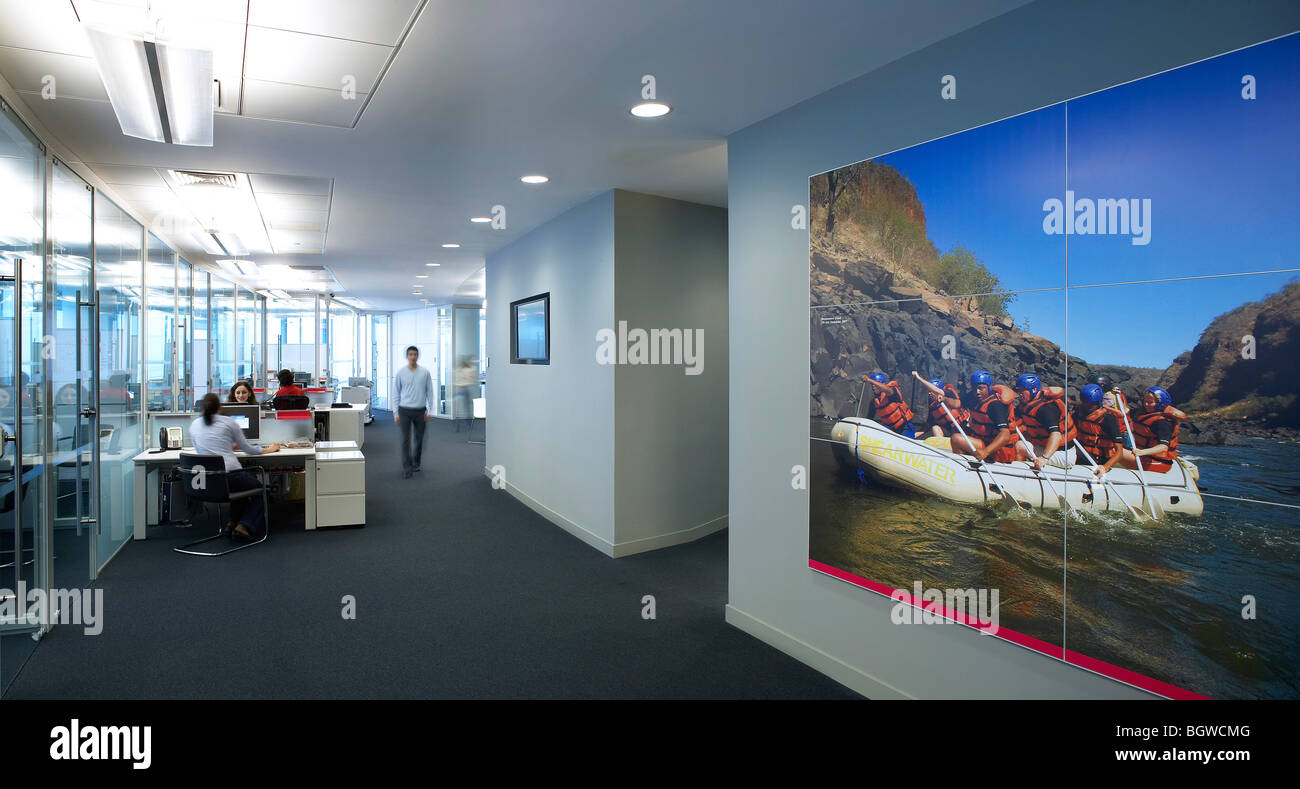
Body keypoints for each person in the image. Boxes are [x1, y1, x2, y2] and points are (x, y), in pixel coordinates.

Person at [189, 393, 281, 542]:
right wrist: (270, 449)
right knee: (261, 491)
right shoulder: (228, 422)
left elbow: (200, 451)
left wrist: (225, 446)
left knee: (241, 490)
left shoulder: (195, 424)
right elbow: (248, 449)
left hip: (207, 479)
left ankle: (232, 523)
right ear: (220, 407)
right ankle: (244, 525)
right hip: (230, 475)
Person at [1097, 386, 1184, 475]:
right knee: (1110, 445)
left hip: (1158, 461)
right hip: (1144, 456)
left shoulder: (1162, 422)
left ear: (1160, 404)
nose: (1146, 404)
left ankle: (1103, 468)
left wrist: (1142, 452)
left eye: (1150, 402)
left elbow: (1163, 447)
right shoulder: (1143, 412)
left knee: (1114, 451)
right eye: (1145, 401)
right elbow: (1125, 410)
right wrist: (1118, 396)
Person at [950, 369, 1017, 463]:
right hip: (984, 441)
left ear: (989, 387)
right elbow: (957, 403)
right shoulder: (974, 396)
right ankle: (966, 462)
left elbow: (1005, 435)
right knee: (959, 430)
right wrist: (943, 399)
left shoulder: (995, 405)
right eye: (974, 388)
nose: (977, 391)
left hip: (998, 450)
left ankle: (962, 466)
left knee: (956, 439)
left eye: (981, 388)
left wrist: (986, 452)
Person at [1012, 373, 1076, 469]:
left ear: (1033, 390)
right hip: (1043, 446)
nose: (1019, 394)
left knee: (1020, 446)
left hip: (1063, 454)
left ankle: (1019, 475)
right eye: (1018, 390)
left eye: (1022, 391)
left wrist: (1044, 458)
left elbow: (1056, 435)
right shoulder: (1025, 405)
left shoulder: (1046, 409)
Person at [393, 345, 434, 478]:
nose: (412, 357)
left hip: (420, 411)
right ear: (407, 356)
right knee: (405, 440)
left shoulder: (425, 372)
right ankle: (407, 468)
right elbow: (396, 394)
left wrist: (430, 409)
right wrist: (395, 413)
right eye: (410, 354)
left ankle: (416, 463)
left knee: (419, 439)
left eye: (415, 354)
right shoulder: (400, 373)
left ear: (418, 356)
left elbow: (430, 392)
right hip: (404, 410)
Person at [1074, 383, 1128, 468]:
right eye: (1085, 403)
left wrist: (1105, 467)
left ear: (1099, 402)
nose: (1087, 407)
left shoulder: (1108, 418)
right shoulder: (1078, 412)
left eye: (1092, 404)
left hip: (1100, 459)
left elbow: (1119, 452)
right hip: (1081, 453)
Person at [911, 371, 966, 437]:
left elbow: (937, 391)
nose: (929, 393)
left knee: (957, 431)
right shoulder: (932, 406)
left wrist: (919, 378)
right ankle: (940, 445)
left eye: (931, 391)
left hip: (962, 426)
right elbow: (927, 426)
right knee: (935, 428)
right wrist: (912, 436)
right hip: (948, 430)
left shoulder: (949, 393)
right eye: (929, 391)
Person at [862, 371, 915, 438]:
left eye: (875, 384)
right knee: (881, 431)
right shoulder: (874, 402)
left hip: (905, 427)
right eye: (871, 385)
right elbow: (869, 419)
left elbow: (887, 390)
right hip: (891, 428)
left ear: (883, 384)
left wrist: (869, 380)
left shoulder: (892, 392)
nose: (873, 387)